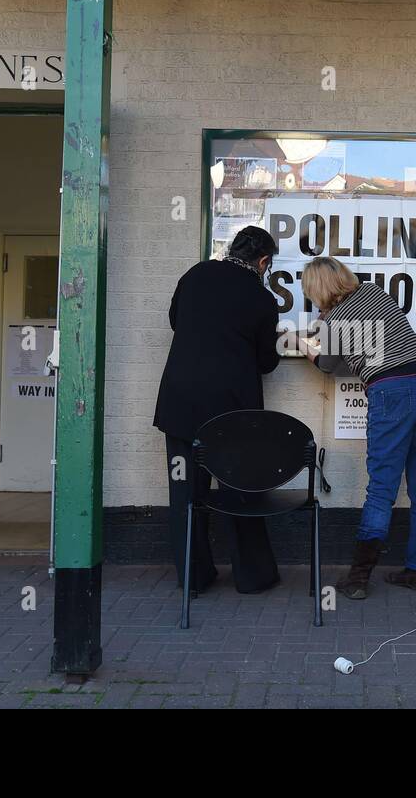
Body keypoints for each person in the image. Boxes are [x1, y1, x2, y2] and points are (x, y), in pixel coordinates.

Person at [298, 256, 416, 598]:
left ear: (317, 290)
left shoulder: (334, 322)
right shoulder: (375, 291)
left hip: (392, 392)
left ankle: (359, 579)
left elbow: (328, 364)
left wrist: (304, 345)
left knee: (381, 488)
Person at [153, 226, 282, 595]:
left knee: (185, 494)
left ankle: (193, 578)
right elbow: (266, 361)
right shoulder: (261, 298)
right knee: (239, 490)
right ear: (263, 261)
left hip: (180, 403)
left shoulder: (195, 274)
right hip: (231, 411)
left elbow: (176, 321)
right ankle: (252, 576)